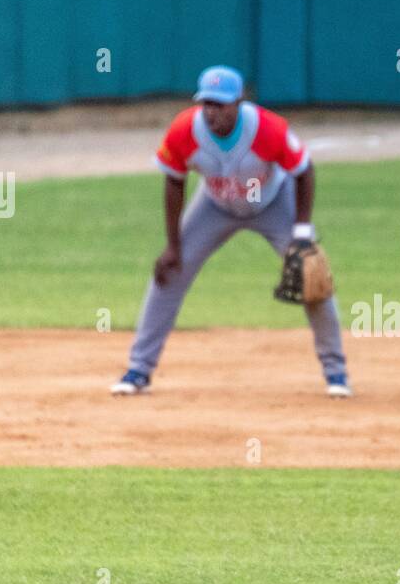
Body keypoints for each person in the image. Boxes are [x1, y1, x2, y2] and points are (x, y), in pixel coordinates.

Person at [111, 65, 350, 397]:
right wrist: (173, 244)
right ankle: (139, 369)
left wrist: (302, 230)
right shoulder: (185, 131)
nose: (212, 112)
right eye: (206, 103)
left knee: (312, 278)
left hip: (271, 201)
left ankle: (336, 374)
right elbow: (174, 182)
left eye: (220, 104)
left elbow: (303, 170)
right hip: (215, 206)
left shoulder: (267, 129)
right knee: (169, 273)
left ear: (238, 102)